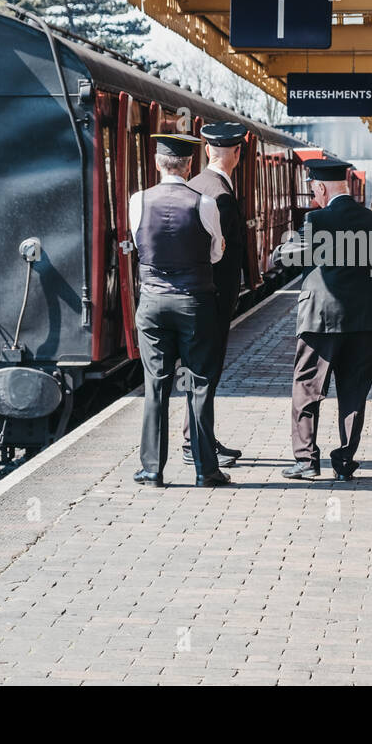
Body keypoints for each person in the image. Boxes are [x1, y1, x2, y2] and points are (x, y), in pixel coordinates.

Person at [277, 157, 372, 482]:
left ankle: (306, 461)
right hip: (363, 320)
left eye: (314, 190)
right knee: (354, 393)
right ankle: (344, 460)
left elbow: (291, 258)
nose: (314, 196)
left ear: (322, 188)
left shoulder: (316, 220)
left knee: (307, 387)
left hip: (320, 319)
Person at [128, 132, 230, 488]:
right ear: (189, 166)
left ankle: (152, 469)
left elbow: (139, 244)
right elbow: (216, 253)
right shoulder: (204, 203)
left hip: (153, 303)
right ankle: (206, 470)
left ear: (158, 164)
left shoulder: (138, 200)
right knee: (199, 384)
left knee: (155, 385)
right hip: (194, 302)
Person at [180, 122, 248, 469]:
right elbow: (219, 255)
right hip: (213, 299)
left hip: (195, 296)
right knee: (207, 373)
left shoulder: (194, 185)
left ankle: (200, 436)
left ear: (208, 150)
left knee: (200, 372)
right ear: (237, 152)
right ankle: (195, 442)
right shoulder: (220, 194)